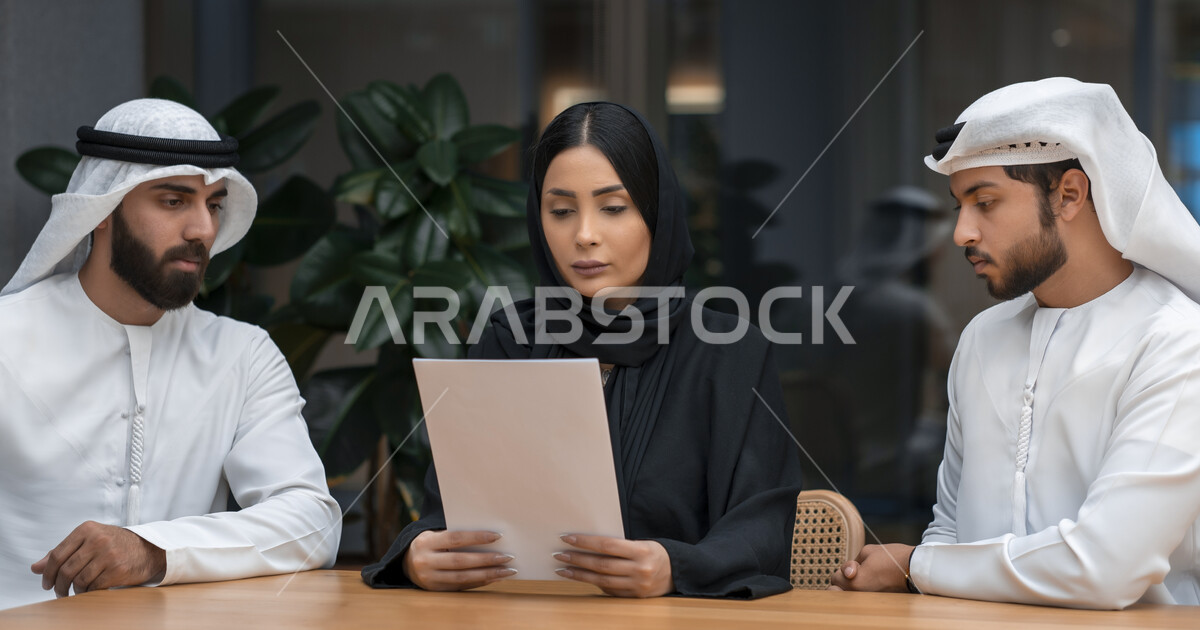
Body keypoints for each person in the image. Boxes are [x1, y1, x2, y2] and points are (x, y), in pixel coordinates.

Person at [362, 102, 805, 599]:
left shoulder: (729, 350)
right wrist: (418, 552)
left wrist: (675, 568)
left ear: (656, 213)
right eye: (561, 211)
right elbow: (451, 512)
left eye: (613, 208)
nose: (584, 235)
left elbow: (764, 530)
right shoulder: (511, 338)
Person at [830, 77, 1200, 609]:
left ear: (1069, 194)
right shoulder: (983, 337)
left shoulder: (1174, 342)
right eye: (960, 205)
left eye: (985, 202)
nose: (962, 233)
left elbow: (1104, 570)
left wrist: (914, 565)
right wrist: (927, 565)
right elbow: (949, 531)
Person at [0, 99, 341, 610]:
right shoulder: (8, 339)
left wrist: (156, 552)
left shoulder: (243, 354)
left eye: (213, 204)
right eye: (174, 201)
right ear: (102, 212)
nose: (203, 229)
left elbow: (312, 522)